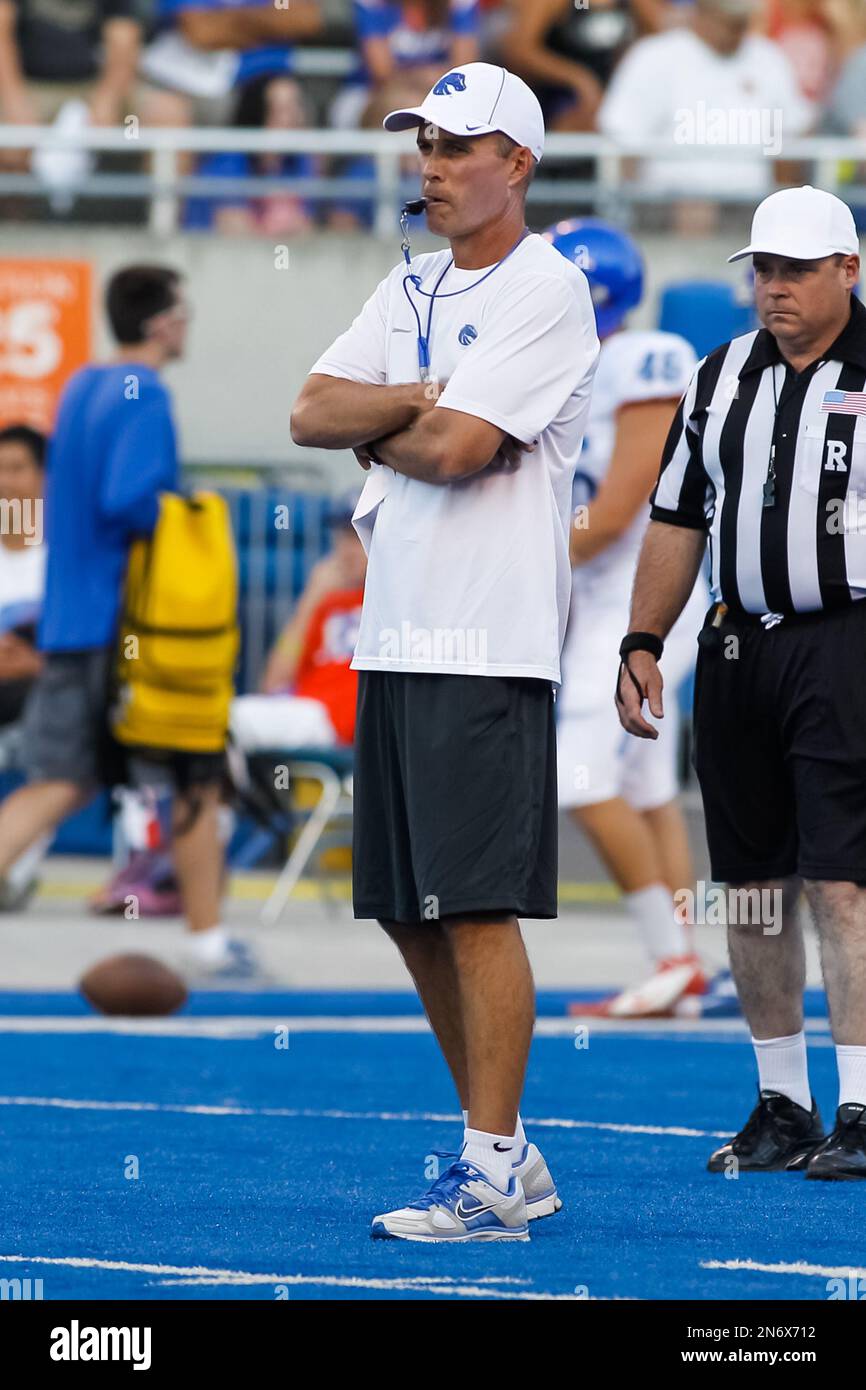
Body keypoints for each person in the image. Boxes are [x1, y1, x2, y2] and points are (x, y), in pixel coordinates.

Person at [292, 61, 599, 1241]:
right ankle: (504, 1151)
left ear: (516, 163)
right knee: (407, 909)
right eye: (424, 140)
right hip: (400, 631)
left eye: (458, 144)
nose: (431, 161)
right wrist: (407, 407)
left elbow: (466, 449)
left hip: (487, 630)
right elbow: (307, 411)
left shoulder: (547, 288)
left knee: (472, 906)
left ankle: (486, 1168)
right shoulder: (406, 280)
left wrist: (389, 425)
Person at [616, 184, 866, 1179]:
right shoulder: (716, 376)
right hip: (735, 645)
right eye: (761, 269)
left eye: (795, 270)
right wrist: (642, 637)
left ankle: (859, 1101)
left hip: (844, 635)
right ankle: (782, 1102)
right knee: (751, 889)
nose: (772, 289)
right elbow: (677, 516)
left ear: (846, 270)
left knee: (842, 881)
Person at [0, 266, 247, 977]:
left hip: (72, 621)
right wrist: (190, 508)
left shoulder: (81, 383)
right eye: (185, 311)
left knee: (57, 781)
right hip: (131, 628)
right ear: (163, 321)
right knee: (197, 775)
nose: (188, 324)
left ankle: (206, 938)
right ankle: (207, 942)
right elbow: (132, 500)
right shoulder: (148, 397)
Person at [544, 219, 709, 1019]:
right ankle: (678, 962)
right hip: (614, 600)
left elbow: (621, 506)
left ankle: (672, 955)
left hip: (643, 599)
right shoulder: (570, 365)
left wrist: (526, 560)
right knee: (643, 781)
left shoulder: (642, 356)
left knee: (577, 768)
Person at [598, 0, 811, 213]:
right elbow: (622, 144)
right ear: (702, 12)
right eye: (728, 21)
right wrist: (648, 210)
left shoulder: (769, 58)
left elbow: (791, 141)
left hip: (753, 211)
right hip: (666, 212)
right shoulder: (653, 57)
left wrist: (781, 210)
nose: (736, 30)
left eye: (742, 22)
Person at [183, 73, 318, 236]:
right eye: (283, 110)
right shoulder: (227, 163)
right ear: (257, 115)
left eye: (297, 106)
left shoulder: (296, 161)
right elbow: (234, 233)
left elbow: (306, 229)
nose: (296, 118)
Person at [331, 0, 480, 130]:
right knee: (403, 105)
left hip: (440, 95)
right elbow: (383, 74)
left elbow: (463, 73)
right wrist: (428, 77)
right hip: (371, 91)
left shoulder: (460, 3)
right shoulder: (372, 3)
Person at [499, 0, 632, 133]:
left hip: (610, 95)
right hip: (556, 97)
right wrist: (579, 80)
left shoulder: (633, 5)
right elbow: (519, 51)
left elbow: (650, 38)